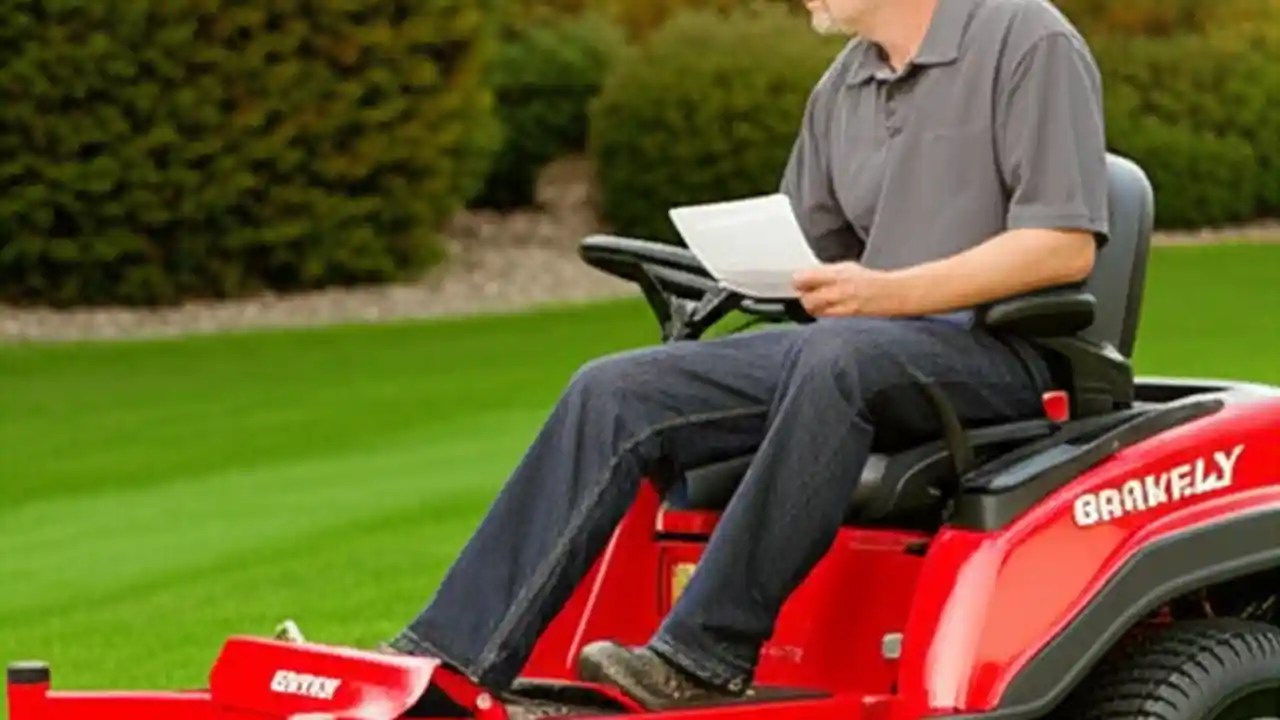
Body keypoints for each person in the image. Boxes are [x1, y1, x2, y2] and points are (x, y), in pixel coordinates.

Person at [380, 0, 1108, 713]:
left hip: (996, 354)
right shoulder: (844, 85)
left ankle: (703, 655)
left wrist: (889, 293)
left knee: (838, 358)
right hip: (860, 347)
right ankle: (450, 665)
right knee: (615, 389)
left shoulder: (1026, 37)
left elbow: (1062, 244)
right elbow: (812, 253)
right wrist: (756, 266)